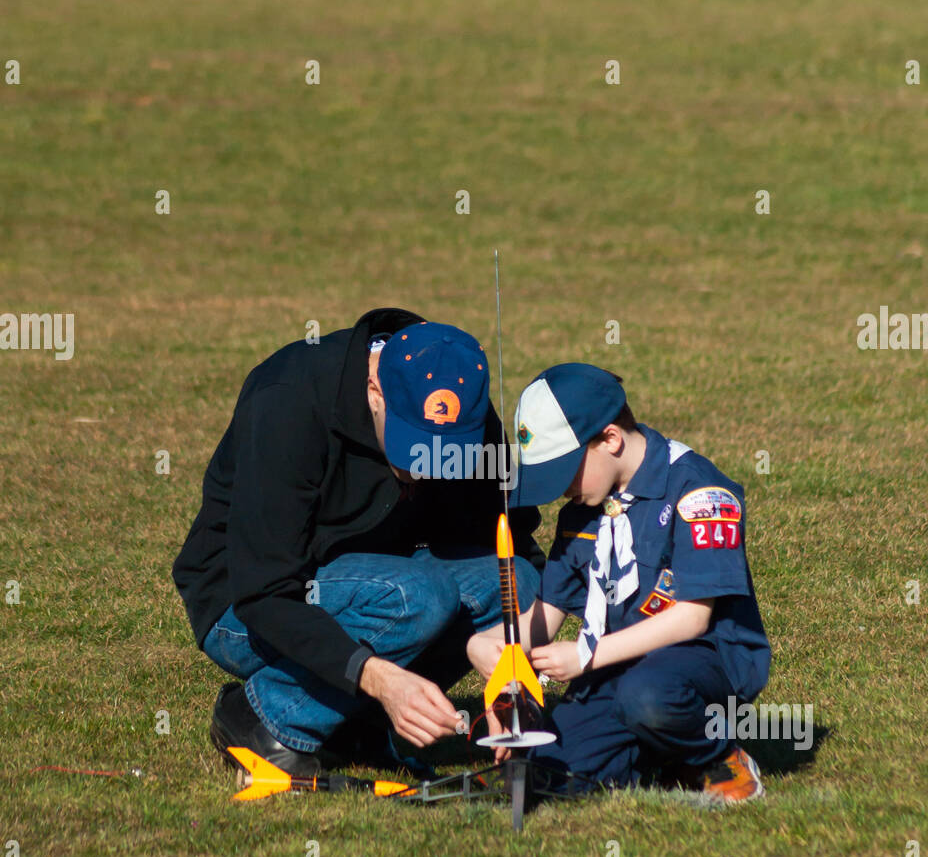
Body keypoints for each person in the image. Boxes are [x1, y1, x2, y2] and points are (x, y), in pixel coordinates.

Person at [172, 309, 541, 779]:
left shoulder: (458, 404)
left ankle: (357, 724)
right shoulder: (288, 400)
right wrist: (378, 679)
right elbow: (262, 590)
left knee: (520, 587)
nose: (428, 468)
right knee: (418, 595)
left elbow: (508, 535)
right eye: (413, 449)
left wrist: (516, 662)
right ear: (374, 392)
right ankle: (262, 715)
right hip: (244, 604)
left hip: (385, 580)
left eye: (445, 454)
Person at [466, 363, 771, 802]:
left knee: (647, 696)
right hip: (617, 666)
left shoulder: (698, 491)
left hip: (703, 660)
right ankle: (655, 755)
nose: (560, 490)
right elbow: (545, 616)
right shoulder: (584, 509)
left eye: (565, 471)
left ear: (610, 439)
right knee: (551, 771)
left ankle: (717, 755)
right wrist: (493, 650)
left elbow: (692, 618)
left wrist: (585, 658)